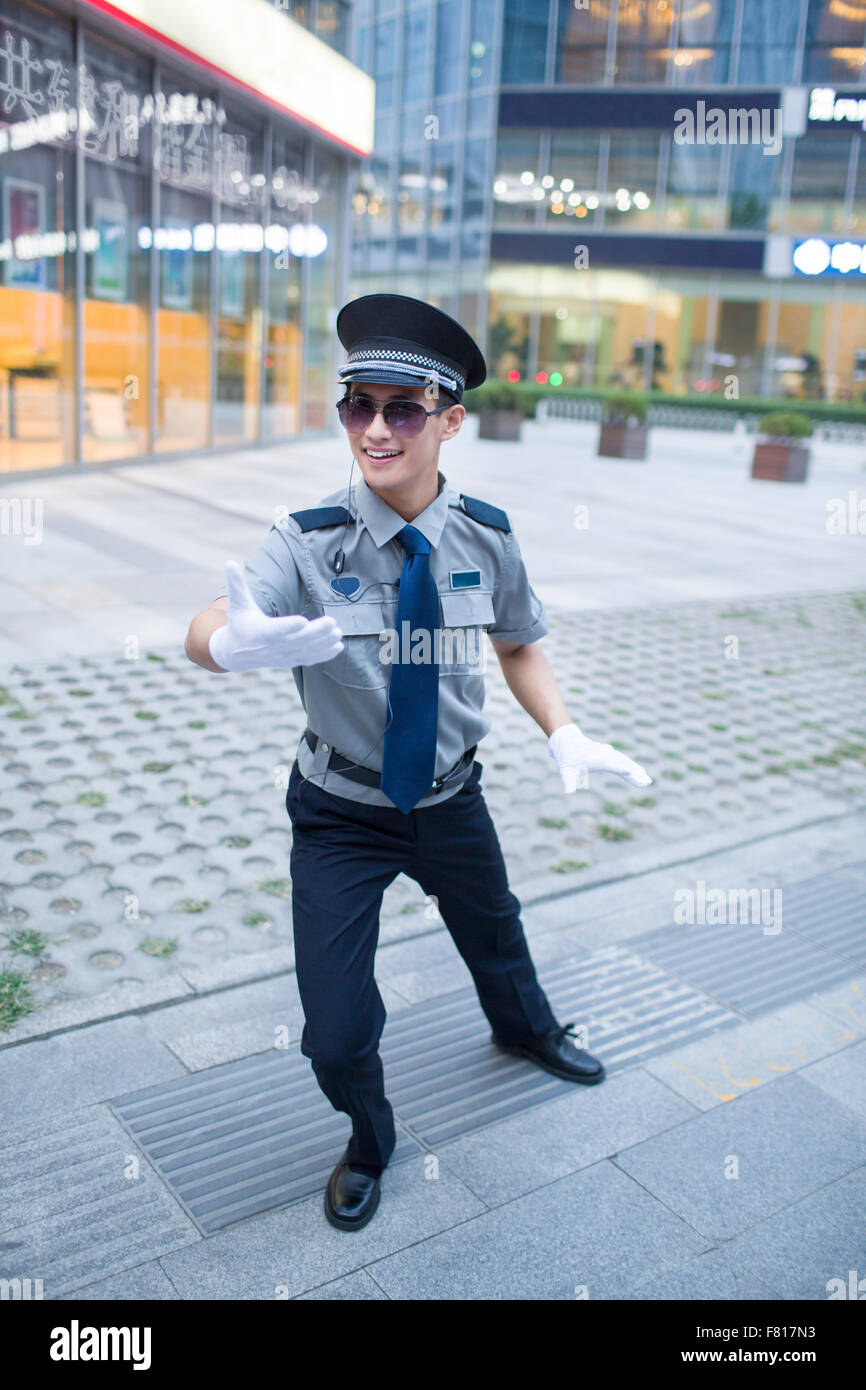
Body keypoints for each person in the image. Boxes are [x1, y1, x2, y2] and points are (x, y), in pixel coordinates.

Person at [184, 293, 652, 1233]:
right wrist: (225, 646)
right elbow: (214, 617)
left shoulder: (488, 532)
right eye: (360, 404)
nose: (377, 429)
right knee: (334, 1030)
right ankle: (367, 1140)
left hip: (449, 798)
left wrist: (562, 730)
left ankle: (527, 1031)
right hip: (337, 809)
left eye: (404, 408)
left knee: (496, 930)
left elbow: (519, 643)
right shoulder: (308, 535)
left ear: (450, 420)